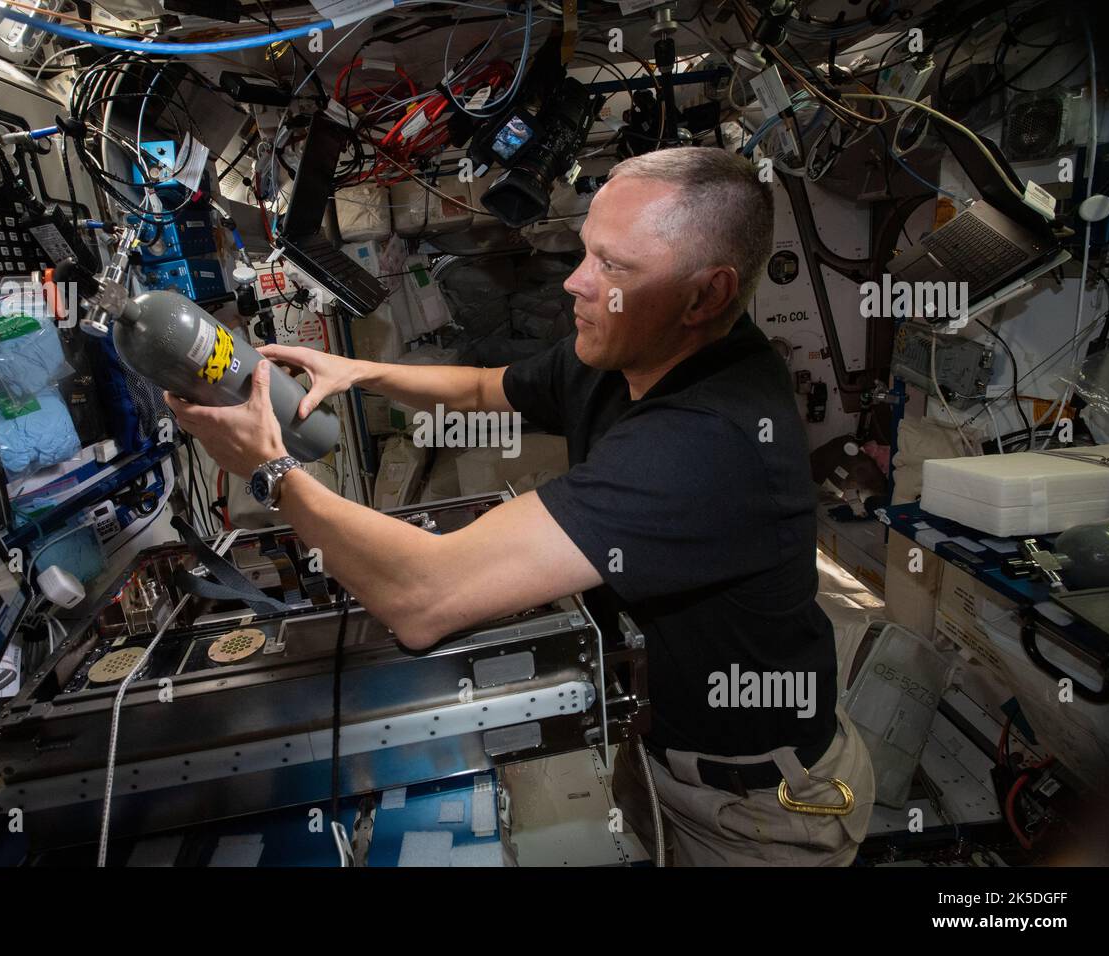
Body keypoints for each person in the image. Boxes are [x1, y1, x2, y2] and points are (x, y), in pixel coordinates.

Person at [166, 146, 874, 865]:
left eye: (613, 267)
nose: (574, 282)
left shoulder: (707, 442)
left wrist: (269, 472)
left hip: (754, 814)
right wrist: (359, 373)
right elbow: (484, 388)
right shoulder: (633, 348)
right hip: (666, 756)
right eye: (585, 253)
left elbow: (422, 597)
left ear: (706, 296)